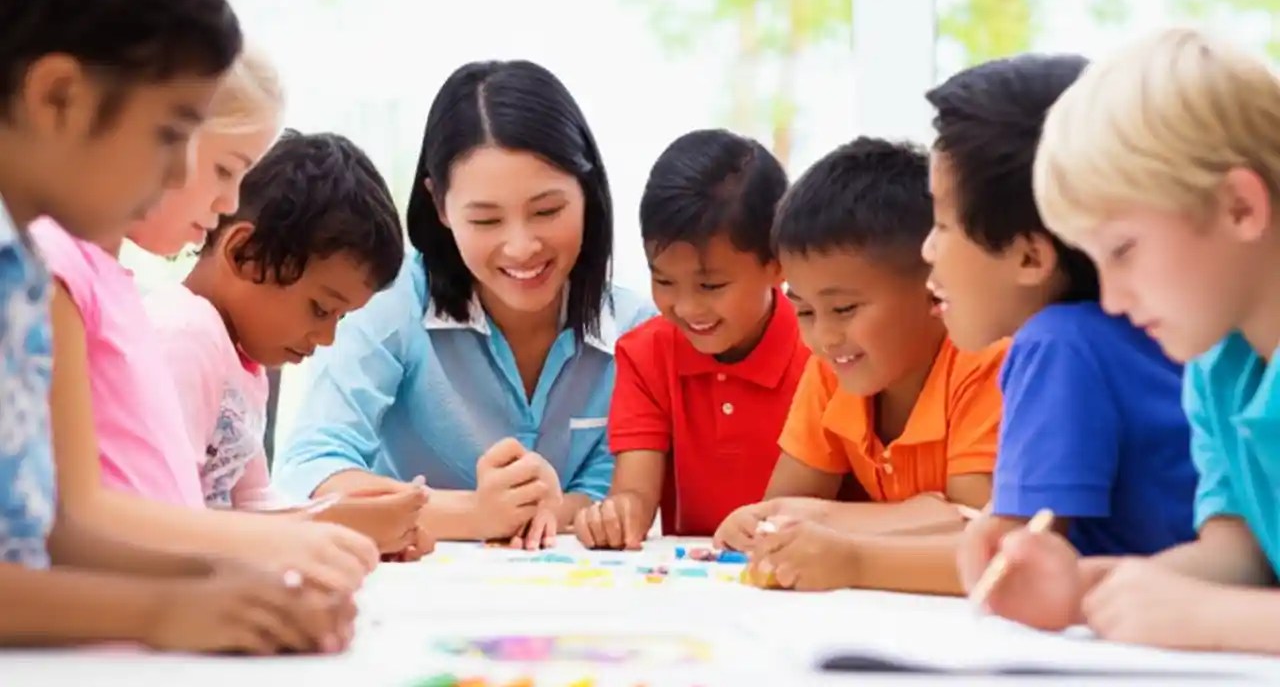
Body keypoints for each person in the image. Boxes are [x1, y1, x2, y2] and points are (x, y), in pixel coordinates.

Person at [1, 0, 354, 655]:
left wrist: (233, 580)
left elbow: (57, 531)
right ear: (59, 98)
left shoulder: (23, 271)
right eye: (169, 135)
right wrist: (162, 610)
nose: (175, 176)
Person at [980, 28, 1280, 654]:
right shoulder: (1216, 367)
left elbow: (1226, 605)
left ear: (1238, 207)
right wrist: (1079, 589)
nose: (1110, 299)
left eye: (1122, 250)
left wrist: (1219, 622)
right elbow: (1240, 555)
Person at [276, 60, 656, 549]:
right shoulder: (391, 303)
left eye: (547, 211)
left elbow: (613, 487)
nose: (521, 247)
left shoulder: (635, 332)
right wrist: (473, 513)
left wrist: (550, 508)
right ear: (440, 206)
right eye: (485, 220)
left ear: (587, 191)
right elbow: (310, 468)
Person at [926, 54, 1198, 629]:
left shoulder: (1058, 344)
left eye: (942, 224)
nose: (927, 250)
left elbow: (1018, 556)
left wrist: (845, 555)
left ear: (1030, 257)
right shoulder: (1163, 338)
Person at [720, 138, 1006, 593]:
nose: (824, 338)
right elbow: (787, 505)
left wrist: (825, 518)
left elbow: (977, 523)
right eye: (806, 311)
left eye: (845, 309)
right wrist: (762, 524)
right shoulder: (833, 369)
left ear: (934, 288)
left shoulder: (983, 359)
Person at [146, 129, 428, 557]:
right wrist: (330, 523)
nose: (328, 337)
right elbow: (166, 522)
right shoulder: (184, 338)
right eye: (320, 308)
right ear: (245, 254)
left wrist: (352, 528)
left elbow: (255, 503)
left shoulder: (242, 360)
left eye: (342, 318)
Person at [574, 129, 804, 548]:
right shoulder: (645, 354)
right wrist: (618, 515)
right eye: (663, 280)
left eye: (711, 286)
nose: (686, 308)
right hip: (696, 591)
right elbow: (635, 495)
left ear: (777, 264)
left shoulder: (822, 355)